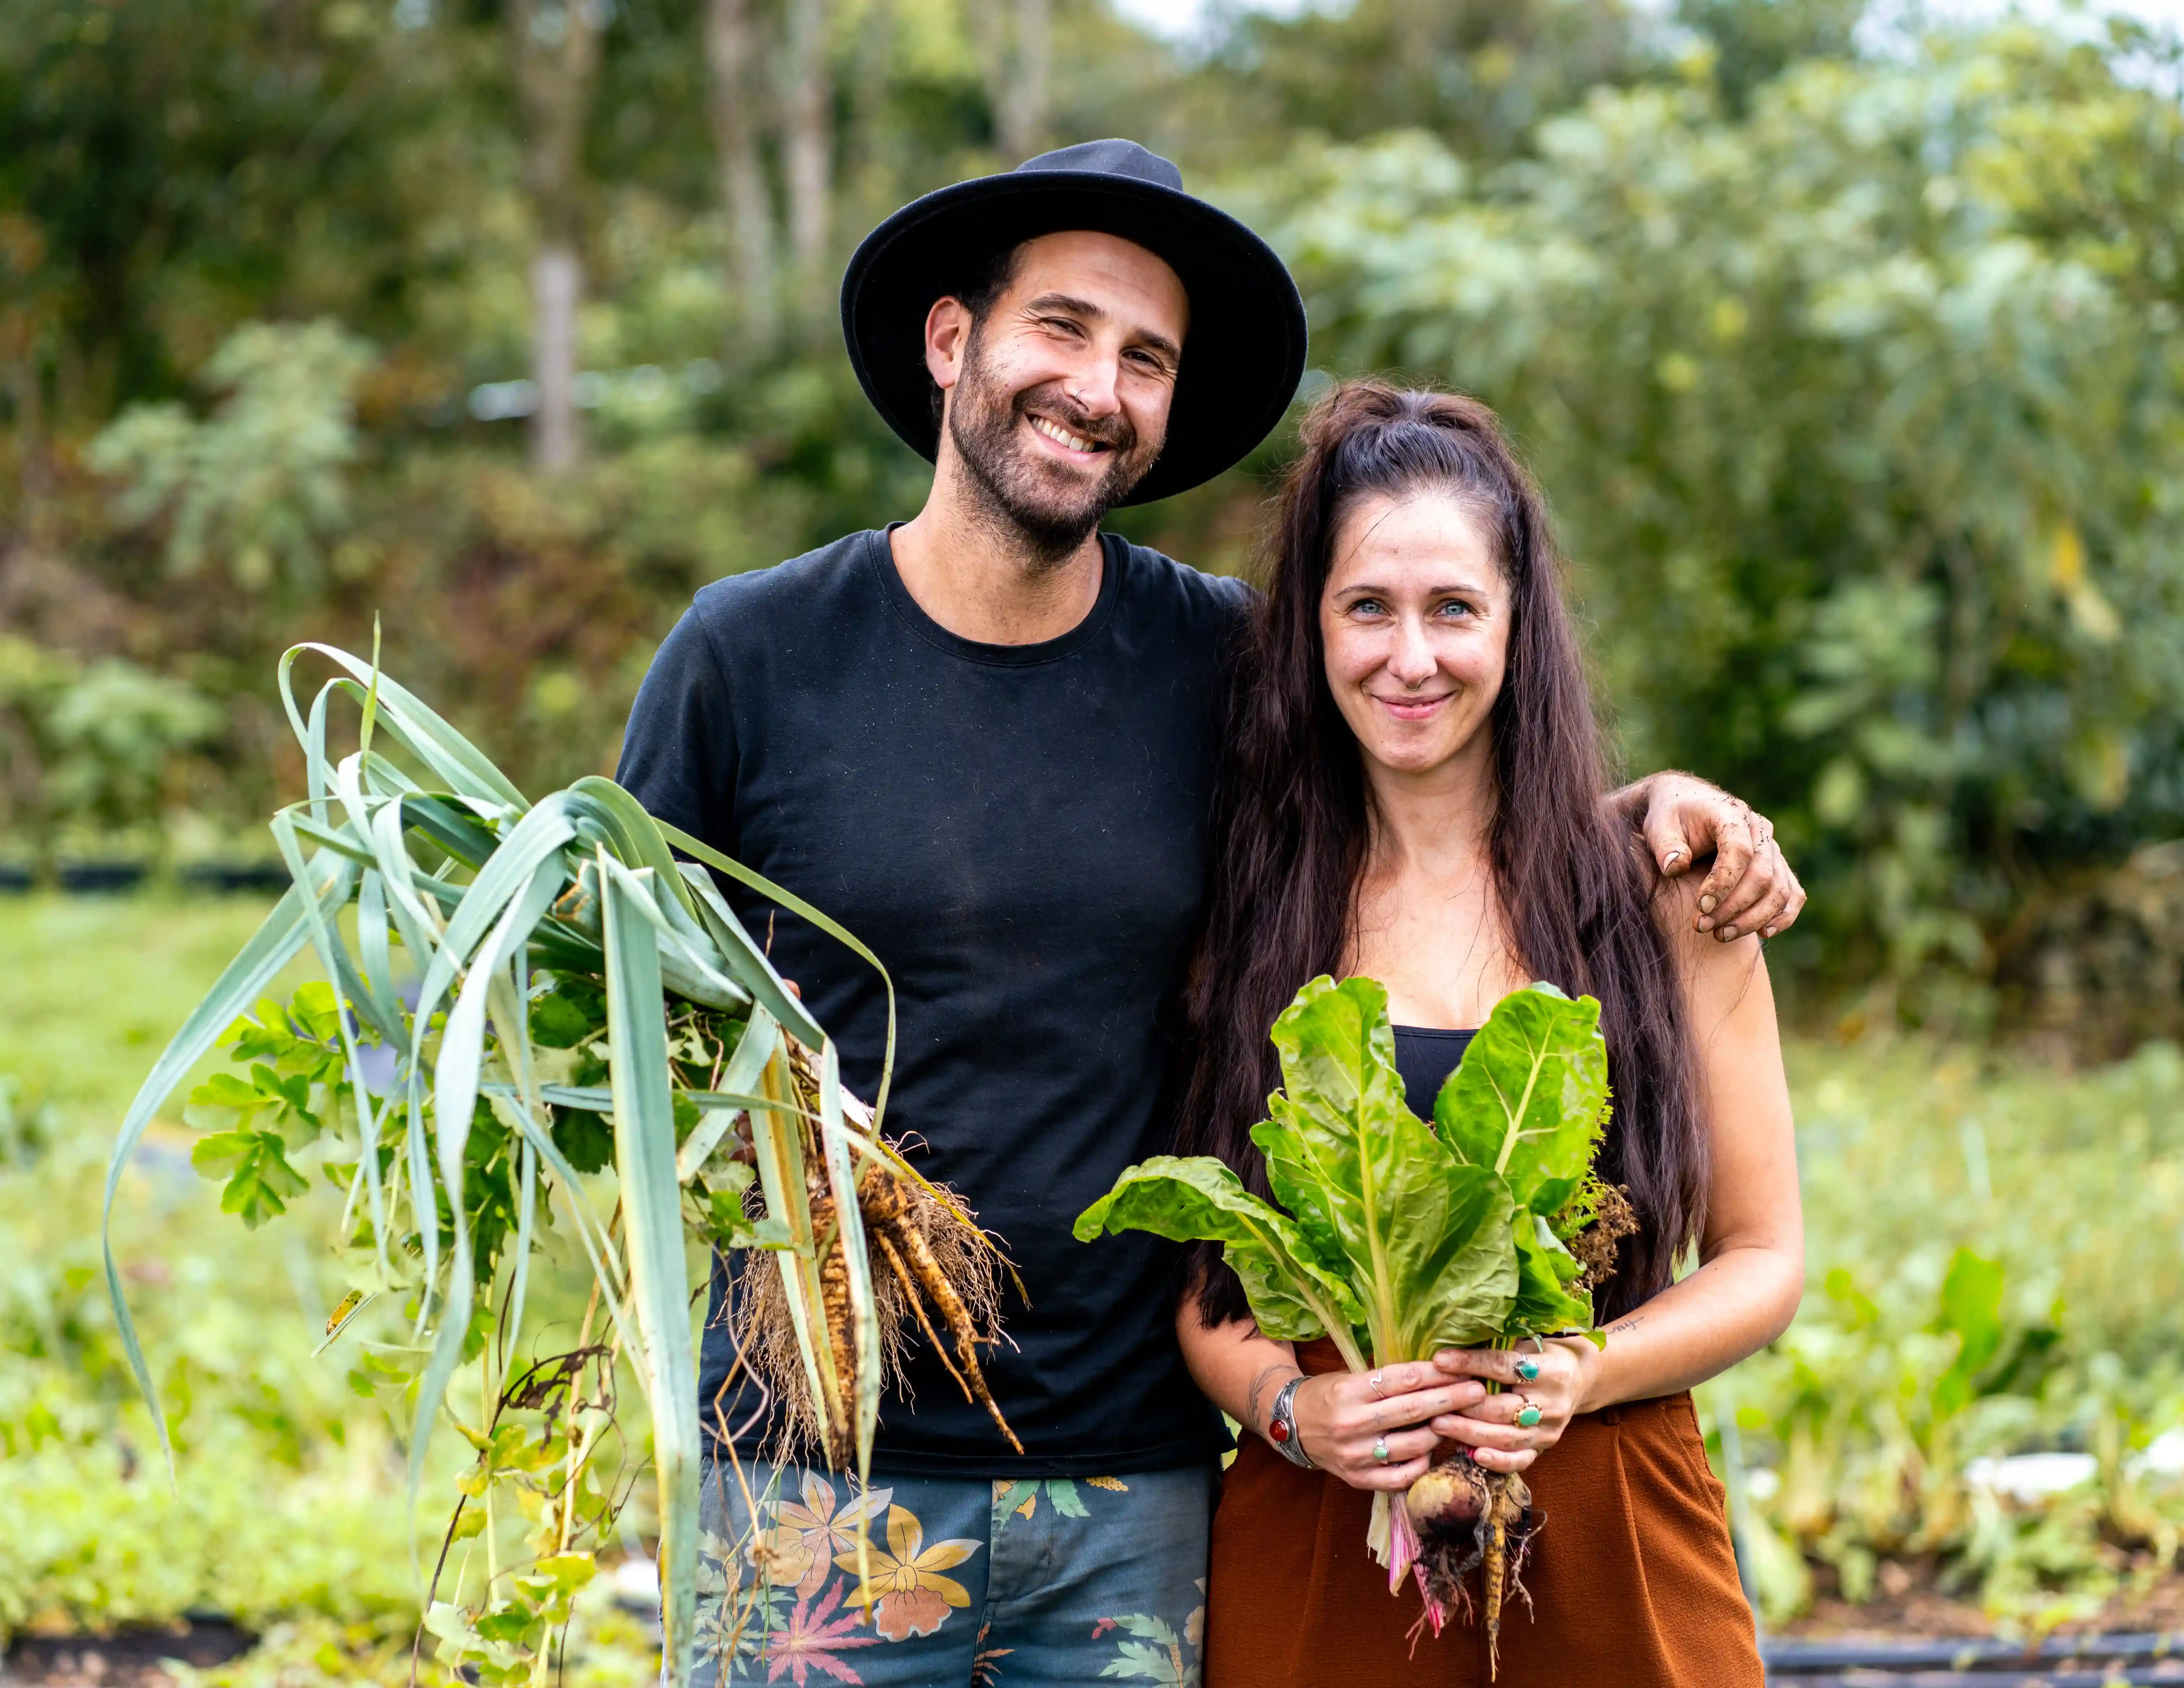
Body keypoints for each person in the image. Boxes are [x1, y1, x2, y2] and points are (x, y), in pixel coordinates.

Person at [616, 141, 1804, 1687]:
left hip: (1132, 1485)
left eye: (1147, 357)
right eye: (1062, 327)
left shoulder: (1223, 667)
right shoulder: (749, 657)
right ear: (950, 340)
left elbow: (1434, 773)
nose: (1097, 385)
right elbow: (612, 1006)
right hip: (812, 1467)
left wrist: (1652, 817)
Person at [1171, 380, 1806, 1686]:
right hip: (1326, 1555)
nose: (1412, 658)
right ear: (1311, 631)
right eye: (1368, 608)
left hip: (1611, 1535)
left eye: (1454, 608)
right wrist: (1296, 1411)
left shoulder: (1668, 890)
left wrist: (1583, 1368)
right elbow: (1204, 1289)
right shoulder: (1239, 901)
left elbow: (1764, 1258)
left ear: (1519, 628)